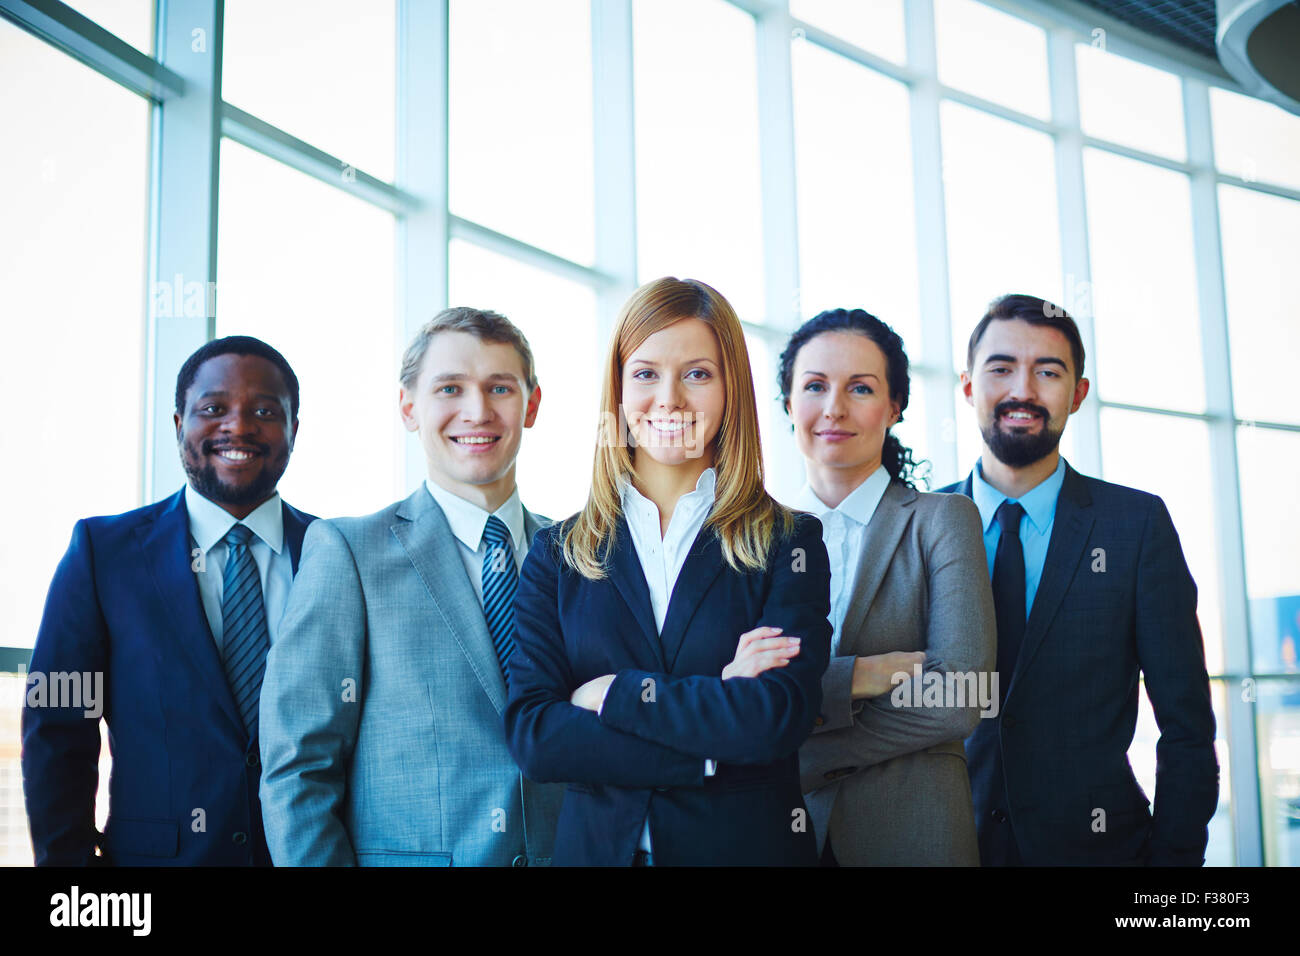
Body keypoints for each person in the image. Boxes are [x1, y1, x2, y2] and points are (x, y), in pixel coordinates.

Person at [504, 277, 832, 866]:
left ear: (731, 387)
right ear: (619, 389)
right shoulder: (558, 552)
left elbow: (774, 719)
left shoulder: (788, 541)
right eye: (646, 373)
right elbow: (536, 738)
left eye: (698, 374)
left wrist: (612, 694)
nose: (670, 399)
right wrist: (712, 729)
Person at [258, 307, 562, 866]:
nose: (478, 411)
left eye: (500, 388)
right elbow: (298, 769)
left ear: (532, 404)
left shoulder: (580, 559)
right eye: (450, 388)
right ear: (409, 408)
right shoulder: (347, 553)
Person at [941, 293, 1219, 865]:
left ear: (1078, 393)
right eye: (1001, 369)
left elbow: (1187, 727)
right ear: (969, 387)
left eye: (1048, 371)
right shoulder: (919, 524)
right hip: (946, 848)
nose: (1023, 390)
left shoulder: (1136, 526)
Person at [22, 336, 316, 865]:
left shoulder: (339, 556)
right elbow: (58, 728)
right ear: (179, 424)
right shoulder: (103, 555)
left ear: (295, 429)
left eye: (265, 411)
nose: (240, 426)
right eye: (213, 408)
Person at [782, 308, 996, 866]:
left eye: (860, 387)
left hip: (913, 835)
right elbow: (723, 689)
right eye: (814, 386)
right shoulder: (750, 539)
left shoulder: (944, 520)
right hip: (773, 834)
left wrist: (798, 750)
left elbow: (962, 695)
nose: (834, 408)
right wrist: (860, 676)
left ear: (894, 406)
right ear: (788, 404)